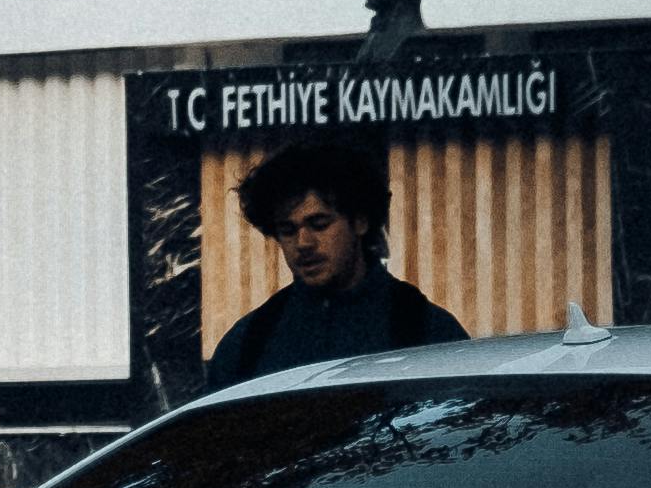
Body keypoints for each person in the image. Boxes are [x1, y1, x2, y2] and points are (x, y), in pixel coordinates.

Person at [194, 134, 469, 394]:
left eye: (319, 224)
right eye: (287, 230)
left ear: (360, 221)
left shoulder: (426, 329)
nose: (303, 242)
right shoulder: (248, 344)